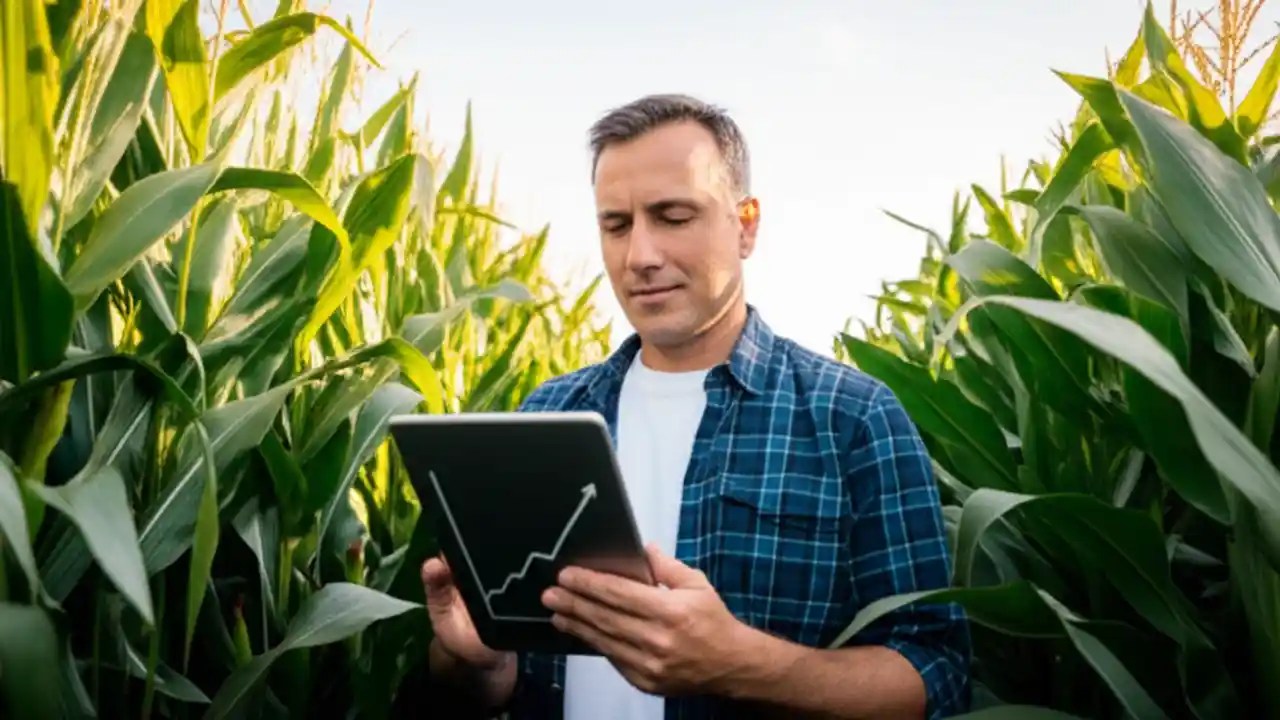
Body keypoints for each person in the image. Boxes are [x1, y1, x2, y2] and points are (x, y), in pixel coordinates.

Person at [421, 93, 971, 720]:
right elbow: (494, 688)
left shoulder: (853, 420)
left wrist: (739, 662)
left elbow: (938, 675)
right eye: (617, 225)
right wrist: (480, 662)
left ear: (746, 224)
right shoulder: (546, 416)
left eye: (673, 216)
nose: (640, 256)